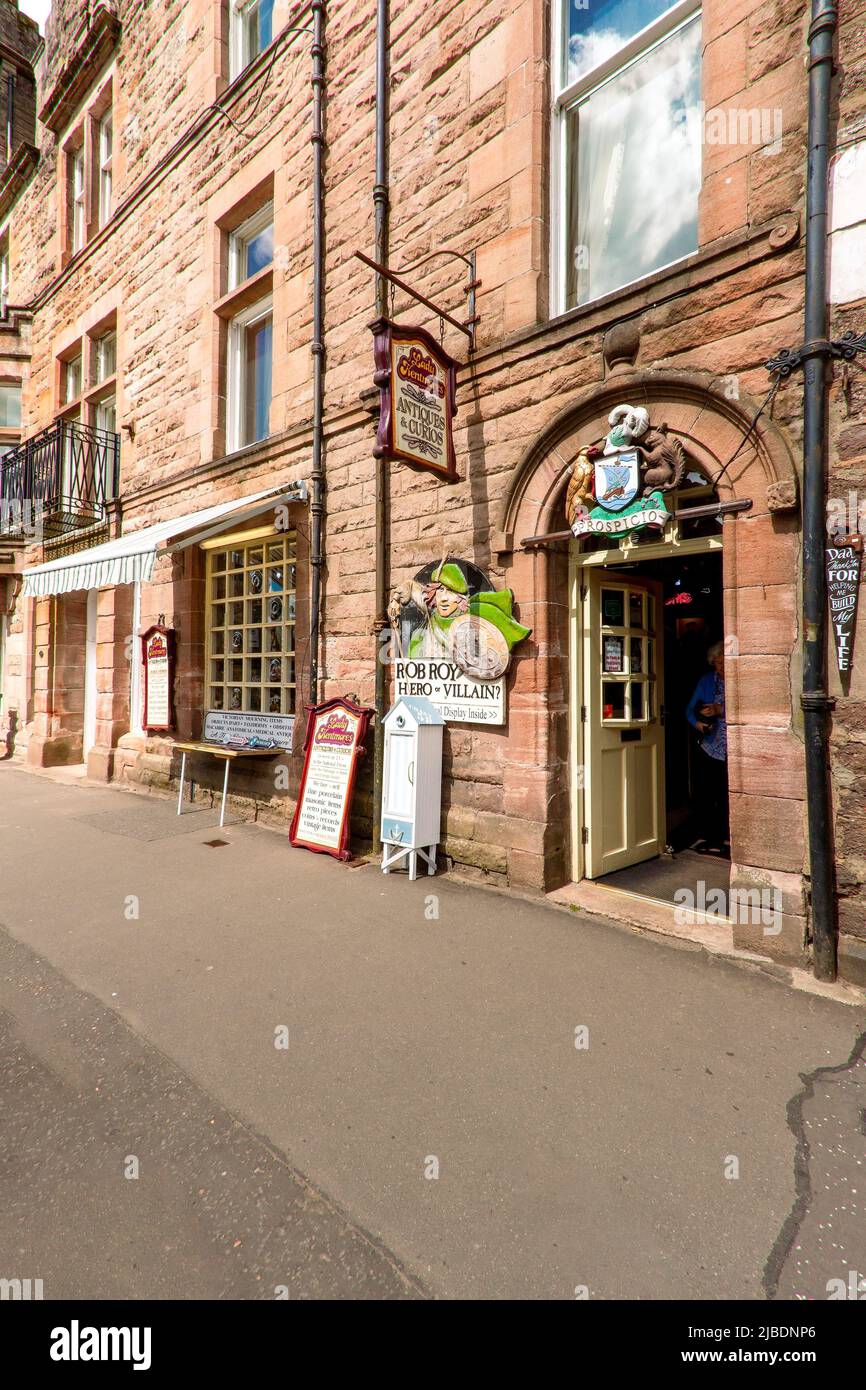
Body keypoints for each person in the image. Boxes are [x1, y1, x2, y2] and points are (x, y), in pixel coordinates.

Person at [685, 640, 729, 853]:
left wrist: (721, 709)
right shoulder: (706, 681)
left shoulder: (739, 680)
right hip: (710, 746)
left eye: (724, 663)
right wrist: (699, 724)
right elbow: (689, 709)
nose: (720, 668)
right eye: (717, 664)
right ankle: (712, 836)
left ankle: (730, 836)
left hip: (734, 747)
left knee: (727, 795)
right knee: (709, 793)